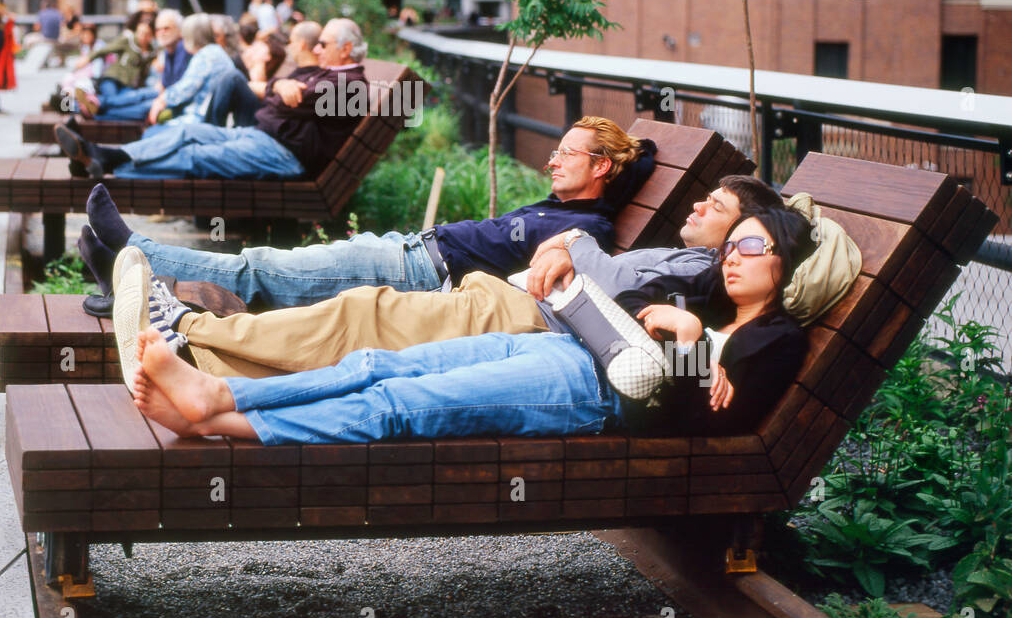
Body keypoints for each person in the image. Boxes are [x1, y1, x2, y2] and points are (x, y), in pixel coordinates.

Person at [122, 205, 815, 444]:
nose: (731, 256)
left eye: (750, 247)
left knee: (401, 406)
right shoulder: (717, 305)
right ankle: (217, 395)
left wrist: (691, 345)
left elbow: (708, 422)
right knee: (377, 365)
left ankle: (214, 416)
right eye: (731, 244)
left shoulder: (776, 338)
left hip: (586, 395)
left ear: (784, 265)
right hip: (560, 344)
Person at [96, 175, 784, 380]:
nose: (698, 208)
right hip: (500, 298)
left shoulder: (701, 276)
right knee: (357, 320)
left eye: (720, 212)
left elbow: (622, 297)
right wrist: (571, 243)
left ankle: (188, 334)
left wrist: (573, 241)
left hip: (524, 319)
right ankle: (195, 333)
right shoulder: (687, 260)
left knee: (357, 319)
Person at [77, 115, 654, 309]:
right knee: (268, 271)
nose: (553, 160)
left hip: (418, 273)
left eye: (567, 153)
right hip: (407, 250)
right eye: (554, 150)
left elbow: (564, 262)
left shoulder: (588, 227)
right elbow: (640, 165)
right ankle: (127, 278)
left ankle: (134, 254)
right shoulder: (564, 206)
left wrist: (633, 162)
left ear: (602, 167)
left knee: (261, 274)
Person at [55, 17, 369, 183]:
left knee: (197, 156)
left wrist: (280, 88)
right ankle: (105, 155)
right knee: (185, 132)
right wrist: (281, 84)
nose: (316, 49)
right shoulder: (327, 74)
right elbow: (275, 89)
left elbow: (288, 97)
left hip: (285, 155)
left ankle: (108, 164)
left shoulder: (350, 86)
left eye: (323, 44)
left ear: (345, 48)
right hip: (260, 136)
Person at [75, 13, 158, 117]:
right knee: (121, 104)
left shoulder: (152, 52)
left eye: (146, 34)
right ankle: (94, 106)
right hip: (112, 79)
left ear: (152, 36)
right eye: (140, 32)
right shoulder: (128, 40)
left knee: (124, 104)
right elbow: (106, 49)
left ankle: (94, 104)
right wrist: (88, 58)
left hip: (128, 86)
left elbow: (145, 73)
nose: (142, 37)